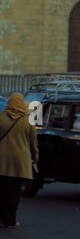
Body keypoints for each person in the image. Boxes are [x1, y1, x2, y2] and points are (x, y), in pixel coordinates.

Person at [0, 93, 39, 229]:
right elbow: (33, 142)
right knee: (14, 192)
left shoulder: (0, 117)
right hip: (19, 162)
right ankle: (10, 220)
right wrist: (35, 156)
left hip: (1, 160)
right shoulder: (28, 119)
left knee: (2, 191)